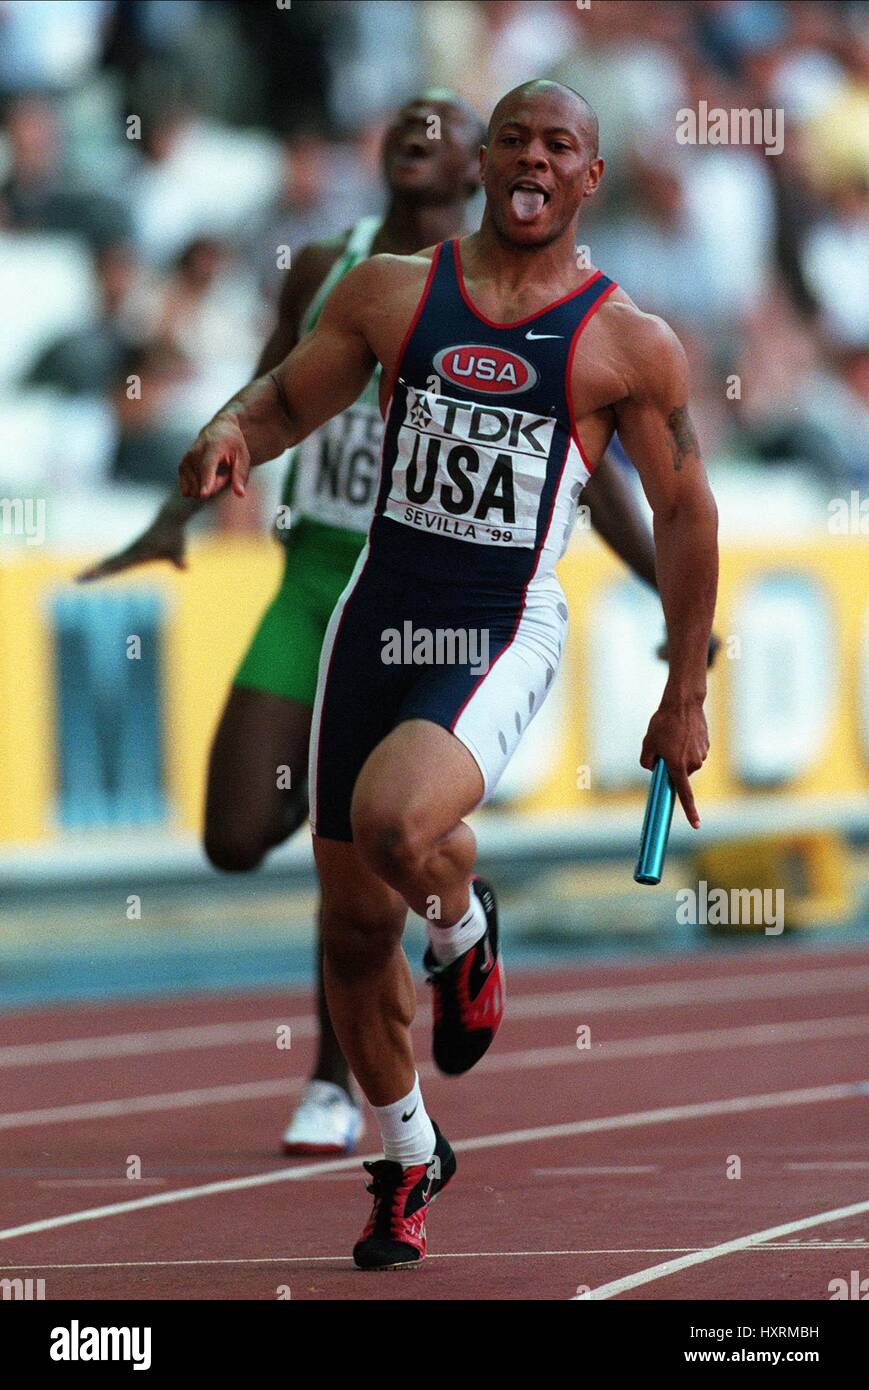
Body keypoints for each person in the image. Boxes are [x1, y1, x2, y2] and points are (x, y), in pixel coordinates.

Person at [94, 87, 716, 1186]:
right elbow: (290, 398)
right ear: (483, 162)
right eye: (513, 138)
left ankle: (463, 920)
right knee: (346, 928)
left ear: (588, 179)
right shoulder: (387, 293)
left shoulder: (629, 342)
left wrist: (682, 690)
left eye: (558, 145)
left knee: (392, 824)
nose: (532, 158)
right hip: (367, 611)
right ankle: (408, 1155)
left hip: (495, 625)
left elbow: (680, 513)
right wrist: (229, 430)